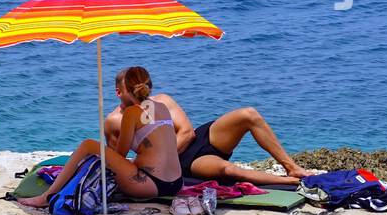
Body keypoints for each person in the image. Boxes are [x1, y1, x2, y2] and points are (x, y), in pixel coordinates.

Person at [103, 76, 317, 186]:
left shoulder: (162, 100)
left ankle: (291, 167)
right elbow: (117, 159)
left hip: (199, 139)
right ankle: (287, 182)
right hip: (187, 164)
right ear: (119, 92)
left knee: (248, 114)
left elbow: (187, 133)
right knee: (229, 171)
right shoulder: (114, 122)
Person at [18, 66, 183, 208]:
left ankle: (46, 197)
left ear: (125, 91)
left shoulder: (132, 112)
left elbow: (119, 156)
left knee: (88, 145)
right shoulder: (162, 106)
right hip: (176, 183)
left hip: (149, 185)